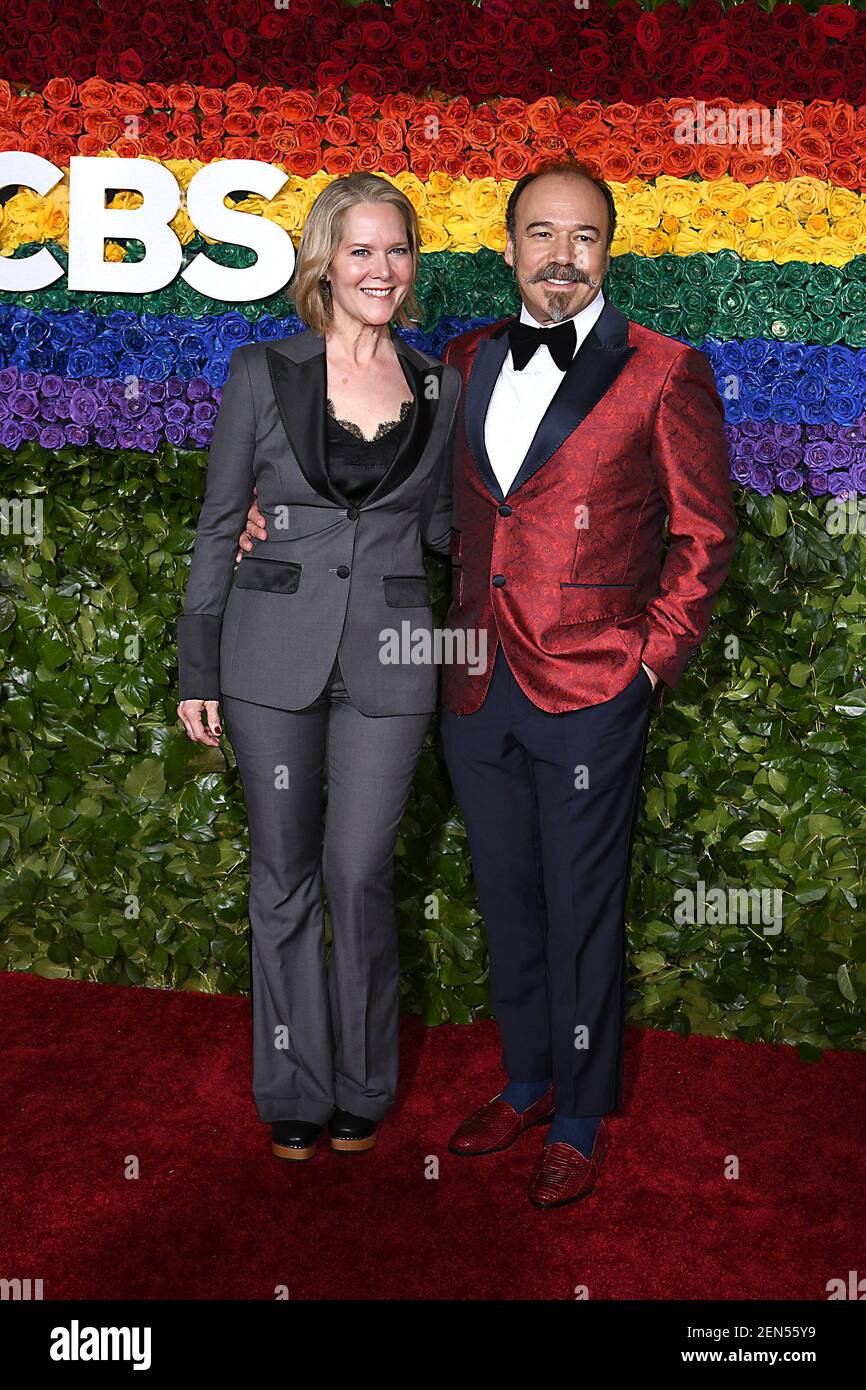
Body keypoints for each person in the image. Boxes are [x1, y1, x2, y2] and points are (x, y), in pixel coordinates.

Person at [239, 157, 737, 1207]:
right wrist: (269, 521)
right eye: (540, 235)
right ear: (506, 247)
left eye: (583, 236)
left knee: (583, 905)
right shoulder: (456, 362)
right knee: (506, 897)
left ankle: (575, 1114)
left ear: (607, 249)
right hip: (469, 682)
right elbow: (404, 508)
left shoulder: (663, 368)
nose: (561, 256)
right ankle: (523, 1078)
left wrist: (647, 667)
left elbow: (702, 536)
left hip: (593, 685)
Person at [176, 172, 460, 1163]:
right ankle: (292, 1084)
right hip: (266, 657)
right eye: (360, 250)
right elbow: (219, 526)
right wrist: (195, 666)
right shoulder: (264, 372)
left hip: (391, 660)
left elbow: (442, 528)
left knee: (357, 870)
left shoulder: (438, 383)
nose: (380, 268)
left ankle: (365, 1083)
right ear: (323, 262)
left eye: (397, 249)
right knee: (284, 873)